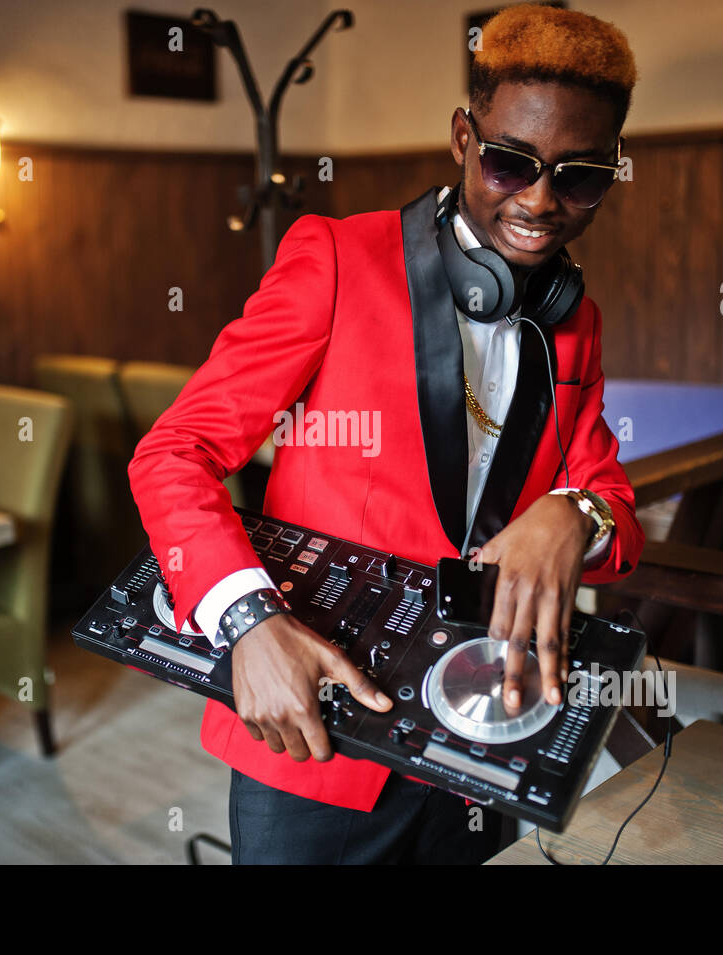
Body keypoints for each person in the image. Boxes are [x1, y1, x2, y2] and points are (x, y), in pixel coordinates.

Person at [128, 3, 645, 864]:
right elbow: (174, 453)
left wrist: (576, 513)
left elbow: (614, 511)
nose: (541, 200)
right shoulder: (334, 258)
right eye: (512, 161)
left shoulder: (574, 318)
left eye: (580, 176)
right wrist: (248, 624)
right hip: (314, 742)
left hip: (480, 736)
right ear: (462, 139)